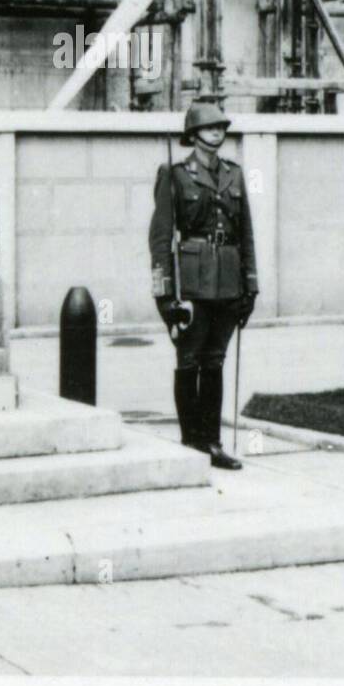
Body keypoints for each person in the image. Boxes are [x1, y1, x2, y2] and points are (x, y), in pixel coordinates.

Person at [148, 102, 257, 470]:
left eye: (221, 127)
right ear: (193, 134)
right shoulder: (175, 174)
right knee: (189, 361)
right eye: (209, 127)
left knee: (215, 362)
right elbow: (161, 238)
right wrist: (164, 294)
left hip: (228, 284)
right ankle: (190, 440)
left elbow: (246, 235)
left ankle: (212, 442)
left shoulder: (234, 175)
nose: (217, 132)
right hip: (191, 285)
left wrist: (250, 286)